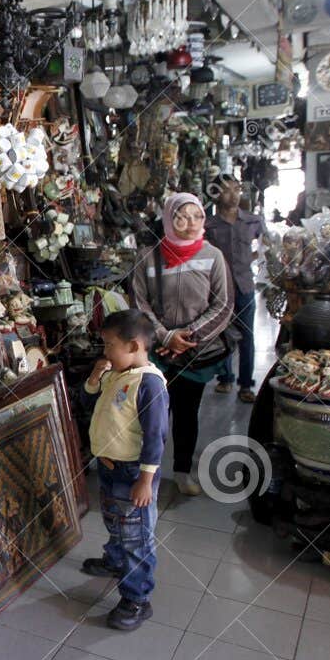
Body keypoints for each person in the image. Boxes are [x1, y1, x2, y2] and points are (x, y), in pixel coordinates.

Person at [128, 192, 233, 496]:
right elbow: (139, 302)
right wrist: (164, 336)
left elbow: (223, 305)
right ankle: (145, 472)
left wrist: (187, 337)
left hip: (194, 352)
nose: (190, 223)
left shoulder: (213, 256)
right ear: (168, 218)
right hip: (157, 351)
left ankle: (182, 470)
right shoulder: (148, 256)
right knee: (151, 412)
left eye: (197, 216)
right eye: (182, 216)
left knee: (186, 412)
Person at [77, 309, 169, 631]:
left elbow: (155, 438)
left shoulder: (149, 385)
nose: (105, 353)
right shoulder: (117, 374)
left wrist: (145, 481)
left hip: (133, 473)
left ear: (133, 346)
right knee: (115, 521)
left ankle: (137, 600)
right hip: (109, 467)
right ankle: (114, 561)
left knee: (136, 538)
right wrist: (93, 378)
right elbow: (91, 403)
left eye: (109, 346)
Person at [204, 178, 265, 403]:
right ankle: (225, 378)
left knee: (247, 337)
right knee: (222, 334)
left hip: (245, 286)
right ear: (216, 194)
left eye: (237, 189)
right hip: (218, 289)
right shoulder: (208, 225)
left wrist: (254, 258)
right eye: (227, 191)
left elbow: (267, 244)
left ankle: (246, 386)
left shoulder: (252, 221)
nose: (234, 195)